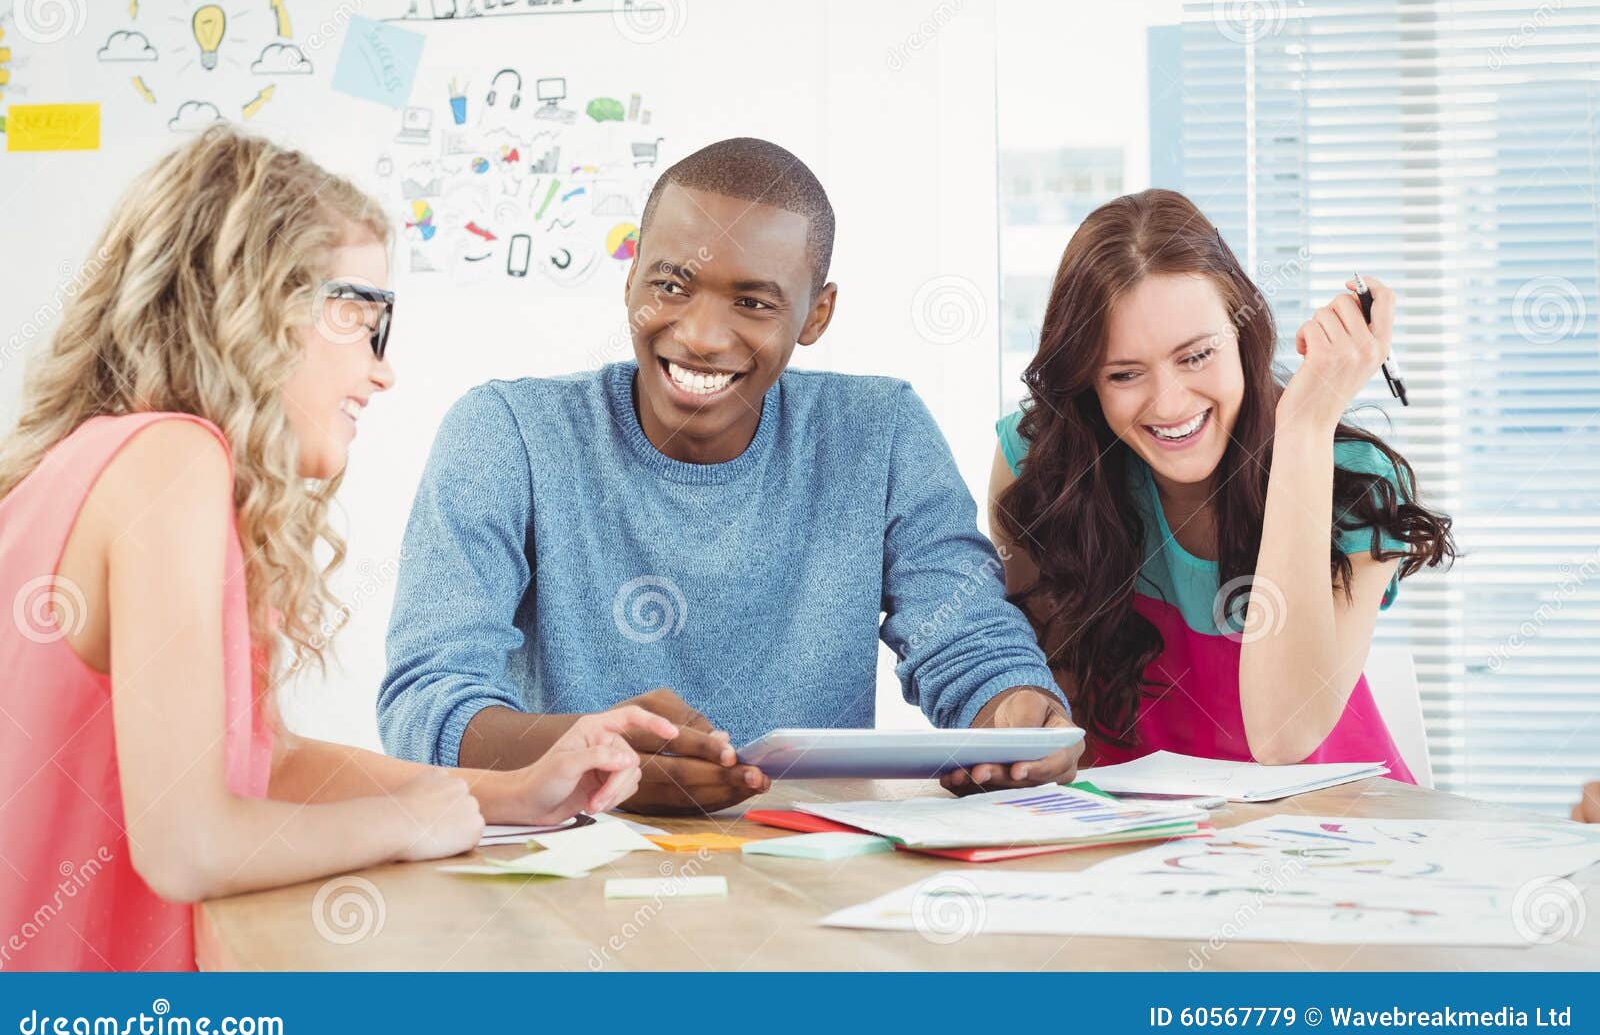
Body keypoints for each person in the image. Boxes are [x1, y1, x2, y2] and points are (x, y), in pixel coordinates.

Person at [0, 126, 674, 971]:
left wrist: (510, 793)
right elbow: (186, 845)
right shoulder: (170, 461)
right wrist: (406, 821)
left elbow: (271, 763)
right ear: (258, 303)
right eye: (363, 318)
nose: (383, 371)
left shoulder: (105, 464)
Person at [380, 137, 1082, 814]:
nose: (700, 335)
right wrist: (592, 754)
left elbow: (964, 635)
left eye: (753, 303)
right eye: (670, 285)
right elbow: (428, 697)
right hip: (575, 856)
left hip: (812, 861)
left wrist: (1015, 712)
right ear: (630, 279)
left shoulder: (881, 432)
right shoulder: (507, 433)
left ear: (817, 314)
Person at [989, 189, 1455, 777]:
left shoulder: (1353, 480)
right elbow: (1052, 712)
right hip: (1132, 823)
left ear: (1244, 333)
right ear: (1088, 383)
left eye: (1196, 356)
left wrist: (1305, 428)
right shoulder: (1042, 466)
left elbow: (1284, 737)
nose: (1169, 404)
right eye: (1125, 374)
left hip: (1332, 821)